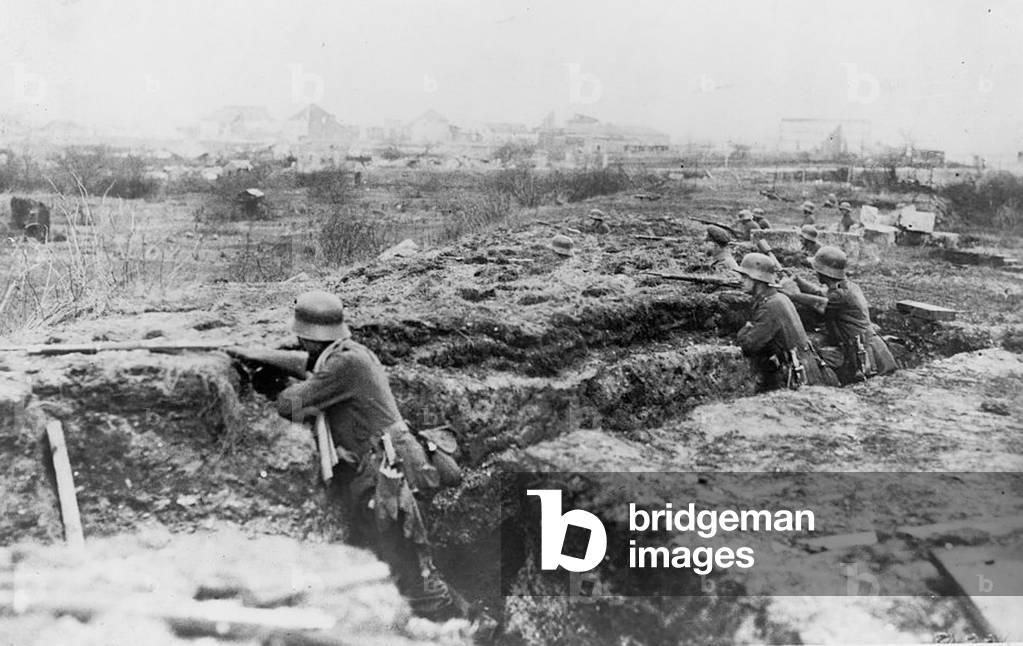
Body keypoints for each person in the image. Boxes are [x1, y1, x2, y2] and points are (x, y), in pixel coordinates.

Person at [241, 291, 468, 622]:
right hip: (393, 467)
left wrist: (274, 384)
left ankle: (468, 629)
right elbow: (311, 367)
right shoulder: (351, 353)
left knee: (410, 572)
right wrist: (254, 354)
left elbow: (289, 403)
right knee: (402, 564)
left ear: (306, 336)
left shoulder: (344, 364)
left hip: (389, 477)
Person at [779, 246, 897, 385]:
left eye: (817, 269)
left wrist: (792, 295)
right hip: (871, 348)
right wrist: (798, 280)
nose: (815, 272)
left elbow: (820, 303)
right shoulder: (847, 287)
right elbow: (820, 293)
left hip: (870, 355)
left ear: (824, 272)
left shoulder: (840, 295)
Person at [734, 253, 838, 392]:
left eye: (745, 277)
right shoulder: (779, 298)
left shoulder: (771, 306)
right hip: (804, 367)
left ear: (757, 279)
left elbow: (749, 345)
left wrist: (745, 329)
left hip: (797, 375)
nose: (740, 280)